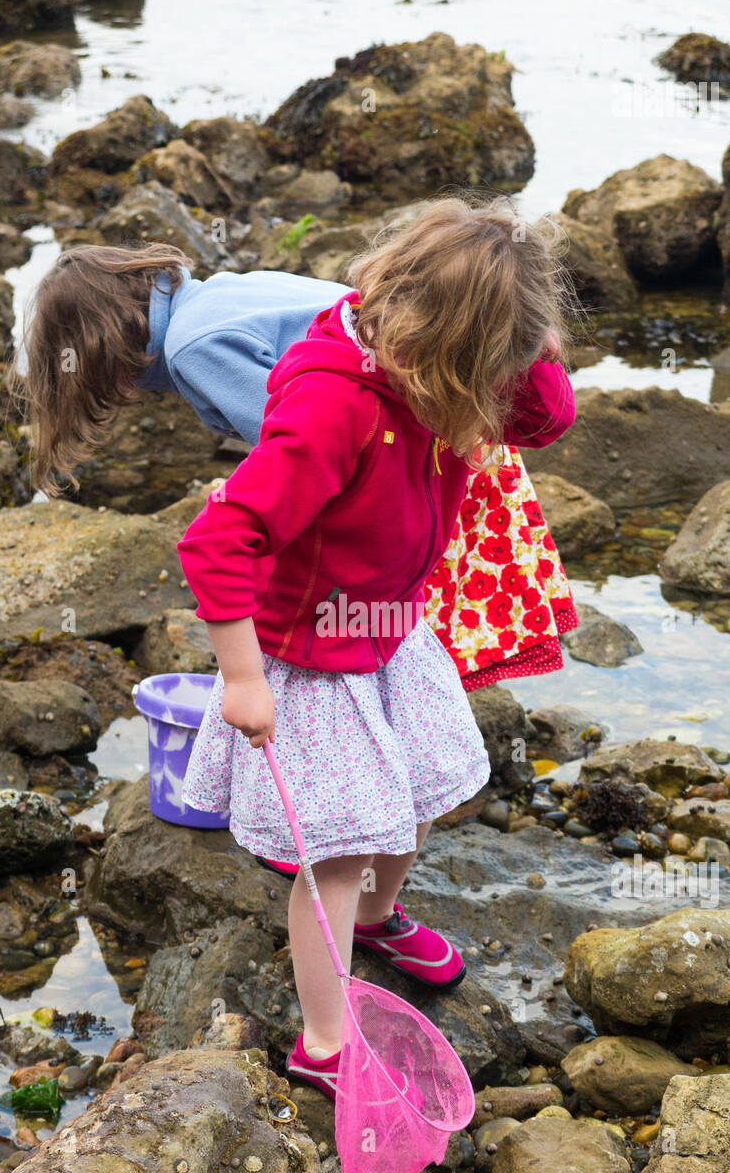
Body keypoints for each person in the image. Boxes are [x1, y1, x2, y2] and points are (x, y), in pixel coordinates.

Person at [174, 196, 576, 1097]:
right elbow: (218, 540)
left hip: (391, 628)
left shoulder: (436, 373)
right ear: (436, 347)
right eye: (489, 368)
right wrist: (242, 680)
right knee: (341, 852)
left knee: (423, 789)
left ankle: (382, 917)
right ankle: (321, 1041)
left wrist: (533, 341)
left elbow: (542, 421)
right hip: (310, 657)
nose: (493, 397)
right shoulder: (329, 405)